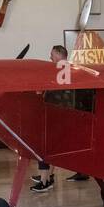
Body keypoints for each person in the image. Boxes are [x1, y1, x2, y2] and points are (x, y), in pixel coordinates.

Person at [31, 44, 68, 193]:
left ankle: (44, 181)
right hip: (65, 118)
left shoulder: (57, 71)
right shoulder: (71, 70)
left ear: (59, 55)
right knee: (52, 149)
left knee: (43, 148)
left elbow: (47, 94)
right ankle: (49, 176)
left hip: (53, 116)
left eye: (52, 55)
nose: (50, 57)